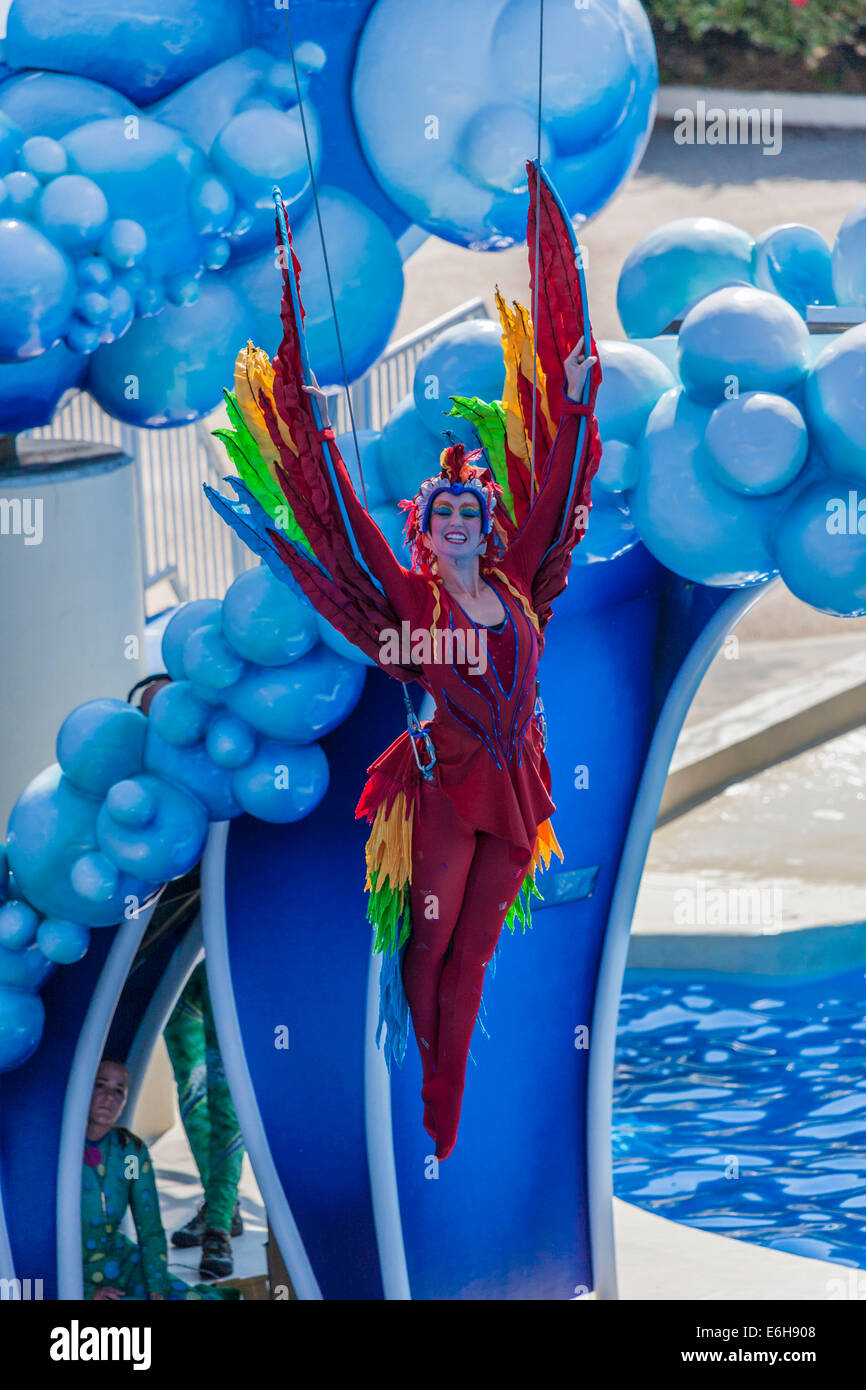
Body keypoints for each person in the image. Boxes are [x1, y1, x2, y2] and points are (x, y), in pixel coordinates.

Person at [205, 159, 602, 1161]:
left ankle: (439, 1120)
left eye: (474, 510)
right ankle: (428, 1097)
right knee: (426, 951)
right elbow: (340, 522)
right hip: (440, 792)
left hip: (516, 788)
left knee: (470, 958)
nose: (466, 521)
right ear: (428, 530)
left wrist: (572, 397)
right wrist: (321, 431)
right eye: (448, 514)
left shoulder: (519, 581)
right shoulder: (409, 596)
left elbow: (554, 487)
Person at [82, 1057, 238, 1300]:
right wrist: (87, 1292)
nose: (109, 1098)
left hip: (121, 1262)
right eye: (100, 1085)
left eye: (119, 1091)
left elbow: (149, 1227)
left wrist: (157, 1289)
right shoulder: (63, 1151)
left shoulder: (128, 1154)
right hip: (75, 1273)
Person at [164, 963, 245, 1279]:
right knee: (192, 1092)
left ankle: (218, 1226)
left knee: (226, 1096)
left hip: (228, 942)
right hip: (177, 943)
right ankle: (221, 1206)